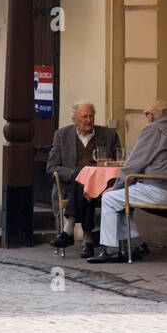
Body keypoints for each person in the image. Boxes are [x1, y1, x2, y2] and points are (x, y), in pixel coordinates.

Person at [90, 99, 167, 264]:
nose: (146, 119)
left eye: (147, 115)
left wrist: (116, 186)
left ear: (153, 116)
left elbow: (134, 163)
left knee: (109, 198)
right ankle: (136, 245)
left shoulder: (153, 129)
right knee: (120, 200)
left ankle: (111, 250)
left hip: (156, 189)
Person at [47, 101, 121, 258]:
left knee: (86, 182)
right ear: (74, 119)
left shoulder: (109, 135)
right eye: (84, 117)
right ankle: (88, 240)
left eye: (91, 116)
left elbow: (119, 163)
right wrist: (75, 174)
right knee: (82, 181)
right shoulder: (62, 135)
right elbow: (51, 167)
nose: (88, 120)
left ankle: (69, 228)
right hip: (70, 185)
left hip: (102, 186)